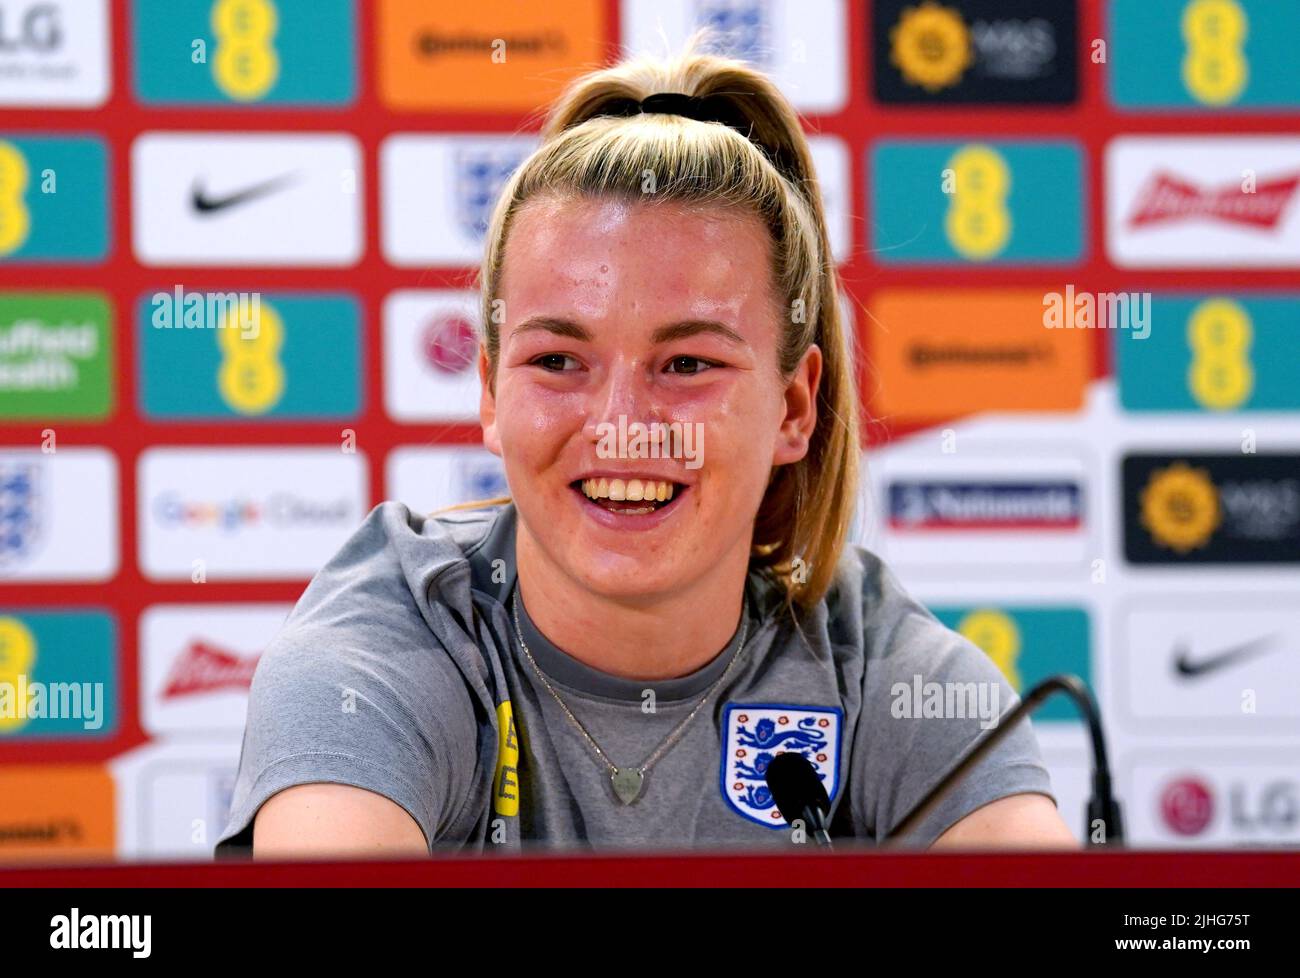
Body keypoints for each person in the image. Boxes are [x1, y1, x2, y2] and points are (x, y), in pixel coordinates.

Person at [215, 44, 1076, 859]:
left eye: (688, 363)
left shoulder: (873, 662)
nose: (622, 422)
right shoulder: (388, 644)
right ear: (489, 392)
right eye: (558, 361)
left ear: (794, 405)